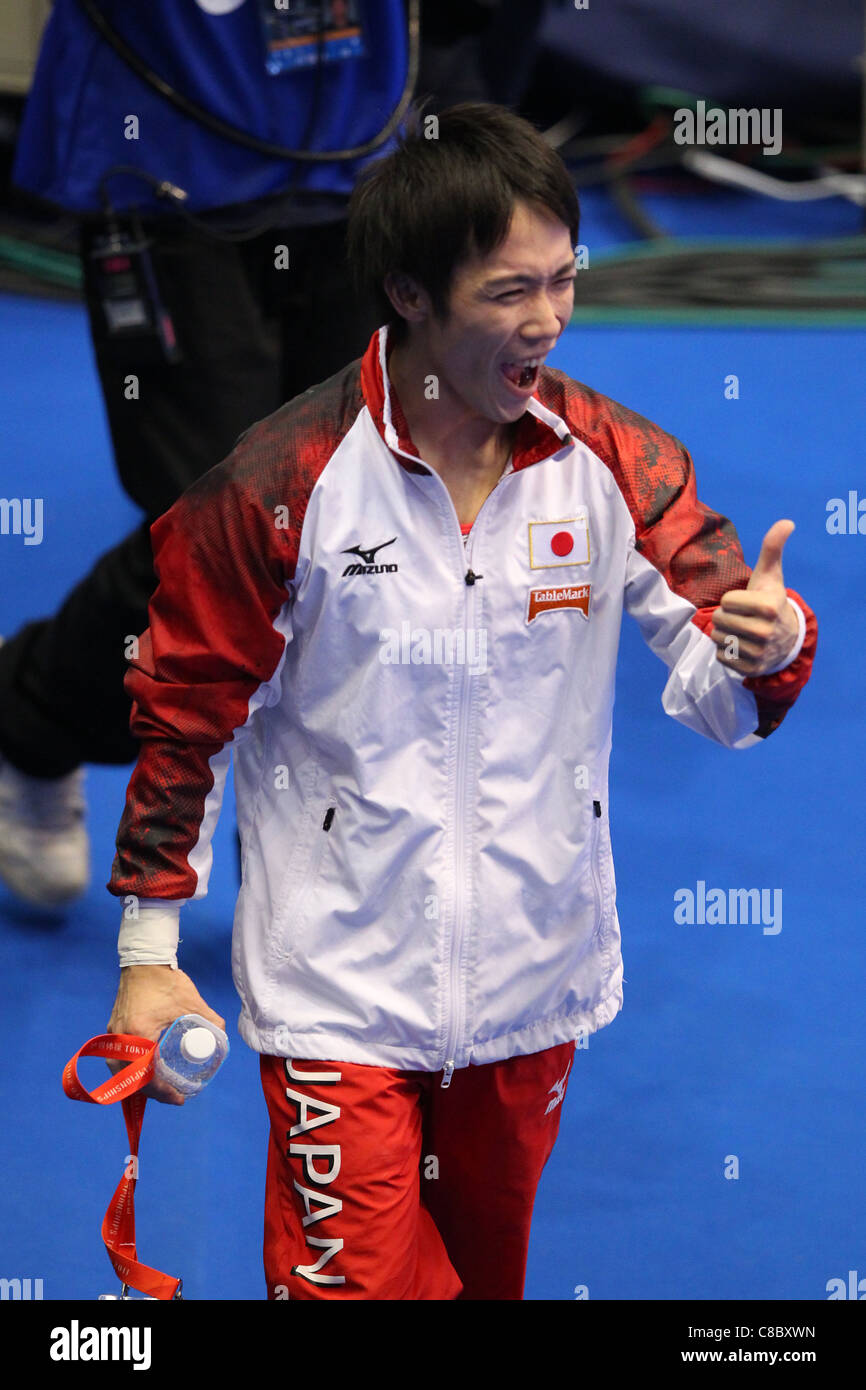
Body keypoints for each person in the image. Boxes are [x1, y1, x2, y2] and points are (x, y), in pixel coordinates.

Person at [105, 101, 816, 1301]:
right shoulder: (282, 485)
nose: (546, 322)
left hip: (535, 989)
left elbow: (722, 702)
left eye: (562, 280)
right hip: (338, 995)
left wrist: (763, 647)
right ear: (409, 295)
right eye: (506, 292)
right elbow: (187, 710)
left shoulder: (615, 462)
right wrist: (147, 952)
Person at [0, 0, 554, 909]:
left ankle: (306, 818)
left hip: (359, 160)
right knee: (215, 529)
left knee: (358, 502)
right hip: (166, 162)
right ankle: (30, 719)